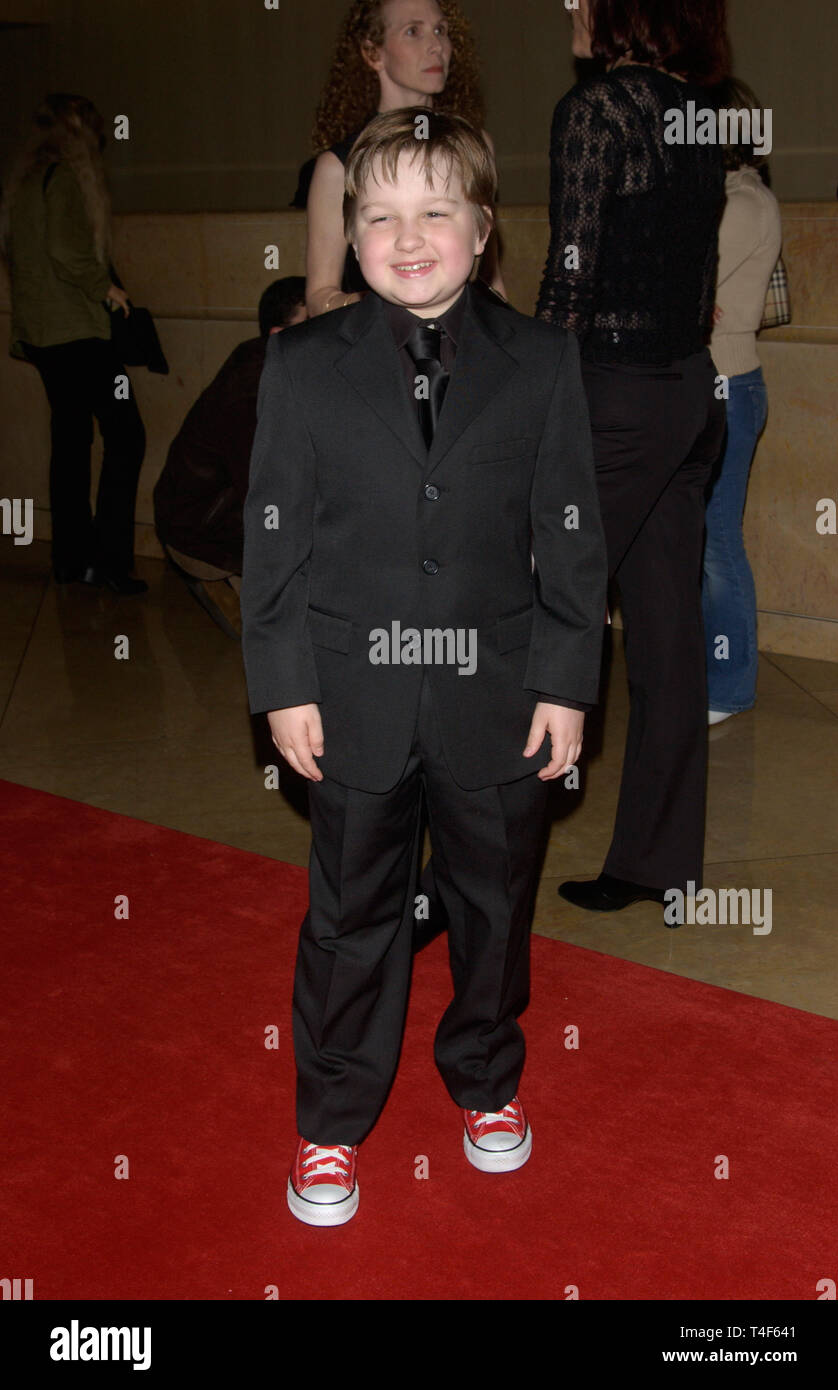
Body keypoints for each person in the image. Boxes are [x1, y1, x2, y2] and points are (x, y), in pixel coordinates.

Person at [240, 108, 608, 1226]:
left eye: (435, 211)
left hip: (499, 693)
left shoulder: (542, 360)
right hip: (350, 693)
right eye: (381, 216)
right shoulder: (302, 367)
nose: (409, 238)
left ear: (483, 229)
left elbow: (573, 530)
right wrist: (283, 681)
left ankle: (486, 1079)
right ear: (349, 237)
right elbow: (273, 534)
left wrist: (565, 678)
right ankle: (332, 1118)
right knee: (350, 911)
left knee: (492, 902)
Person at [537, 0, 730, 916]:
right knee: (667, 640)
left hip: (612, 400)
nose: (566, 5)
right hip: (690, 396)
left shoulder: (598, 111)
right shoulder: (700, 113)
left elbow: (567, 278)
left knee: (529, 616)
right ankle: (659, 866)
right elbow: (696, 288)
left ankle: (464, 875)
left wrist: (519, 413)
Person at [0, 93, 147, 595]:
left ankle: (73, 559)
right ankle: (107, 560)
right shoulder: (63, 177)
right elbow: (67, 252)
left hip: (43, 335)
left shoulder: (23, 183)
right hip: (78, 333)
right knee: (126, 436)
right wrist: (103, 286)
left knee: (71, 443)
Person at [302, 0, 505, 317]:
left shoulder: (476, 146)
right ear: (373, 53)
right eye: (413, 31)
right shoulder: (338, 164)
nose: (436, 45)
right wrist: (396, 302)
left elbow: (489, 278)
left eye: (440, 30)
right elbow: (318, 297)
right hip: (377, 345)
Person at [153, 277, 306, 638]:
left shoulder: (280, 367)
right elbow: (268, 496)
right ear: (278, 335)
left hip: (215, 514)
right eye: (313, 328)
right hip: (204, 530)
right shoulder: (252, 393)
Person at [703, 80, 782, 724]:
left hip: (727, 383)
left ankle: (728, 685)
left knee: (716, 538)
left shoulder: (742, 200)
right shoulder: (723, 199)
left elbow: (686, 293)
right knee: (704, 537)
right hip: (715, 382)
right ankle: (711, 674)